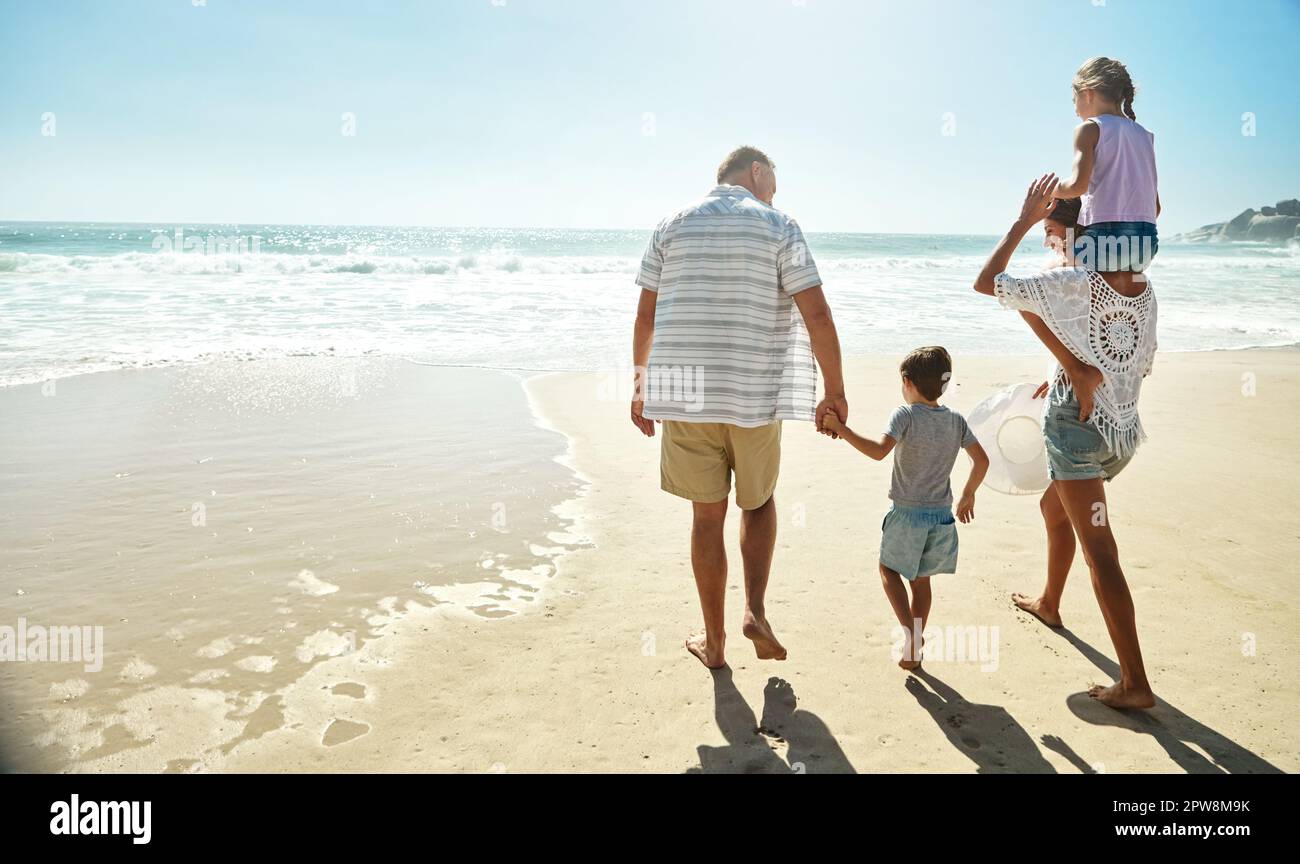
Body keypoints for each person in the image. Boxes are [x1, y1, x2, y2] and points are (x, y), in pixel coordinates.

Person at [630, 146, 847, 670]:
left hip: (685, 396)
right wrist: (834, 389)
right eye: (774, 176)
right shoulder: (778, 225)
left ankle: (715, 641)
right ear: (756, 171)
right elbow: (816, 313)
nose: (776, 187)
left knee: (707, 518)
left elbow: (645, 317)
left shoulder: (670, 224)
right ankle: (754, 611)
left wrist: (641, 386)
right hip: (753, 395)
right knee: (758, 503)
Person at [974, 174, 1158, 709]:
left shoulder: (1070, 283)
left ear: (1084, 232)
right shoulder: (1140, 288)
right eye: (1044, 234)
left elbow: (989, 283)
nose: (1049, 243)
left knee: (1101, 550)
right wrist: (1070, 367)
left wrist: (1022, 220)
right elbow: (1131, 360)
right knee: (1057, 510)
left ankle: (1135, 684)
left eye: (1055, 233)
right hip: (1120, 435)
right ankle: (1050, 602)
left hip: (1076, 431)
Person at [821, 348, 989, 670]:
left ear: (907, 381)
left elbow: (878, 451)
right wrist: (968, 494)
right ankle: (914, 647)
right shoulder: (956, 421)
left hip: (907, 515)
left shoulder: (906, 415)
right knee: (922, 582)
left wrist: (841, 430)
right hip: (941, 517)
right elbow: (981, 460)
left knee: (888, 569)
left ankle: (911, 636)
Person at [1051, 57, 1160, 286]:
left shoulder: (1089, 129)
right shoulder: (1145, 135)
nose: (1075, 109)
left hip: (1104, 241)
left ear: (1088, 93)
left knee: (1050, 272)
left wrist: (1051, 190)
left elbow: (1077, 186)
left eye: (1074, 100)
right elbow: (1156, 207)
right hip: (1146, 247)